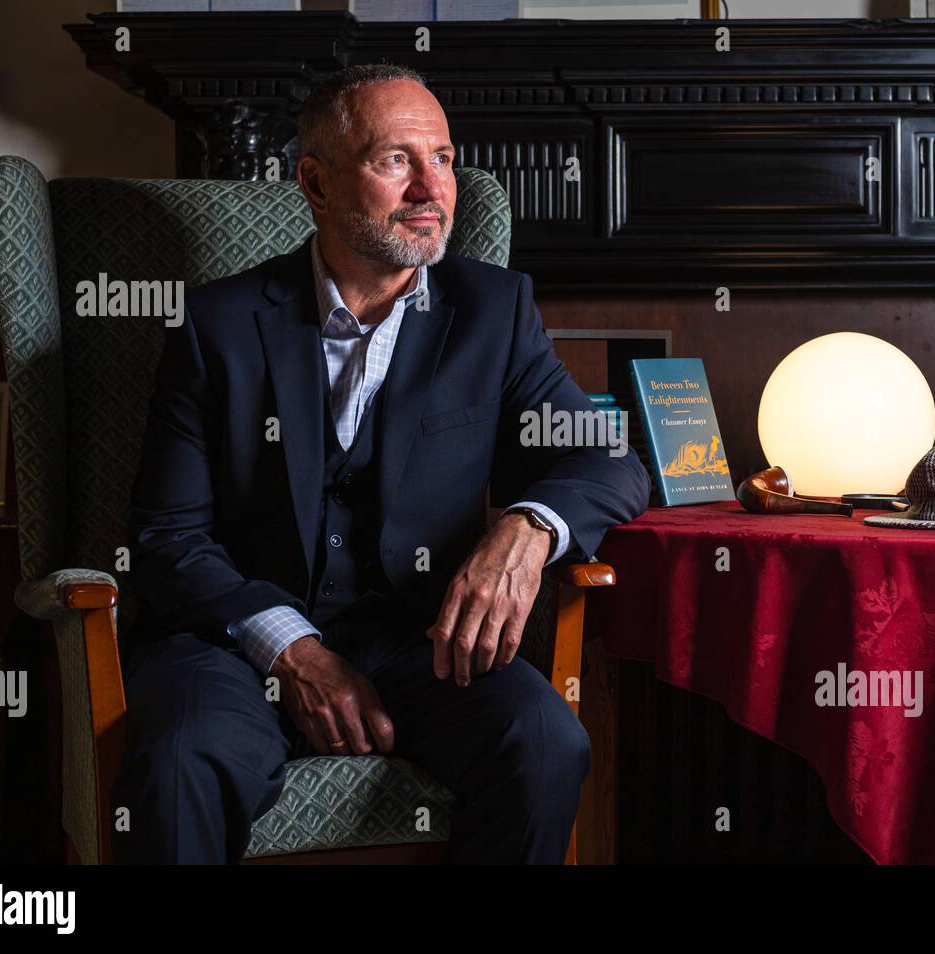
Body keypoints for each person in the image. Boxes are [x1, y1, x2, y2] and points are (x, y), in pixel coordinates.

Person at [112, 63, 650, 864]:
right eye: (396, 160)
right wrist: (291, 647)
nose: (432, 186)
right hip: (233, 649)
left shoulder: (492, 311)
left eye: (443, 157)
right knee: (177, 761)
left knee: (546, 745)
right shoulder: (216, 326)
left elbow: (605, 457)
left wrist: (530, 531)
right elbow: (168, 539)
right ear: (316, 182)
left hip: (422, 640)